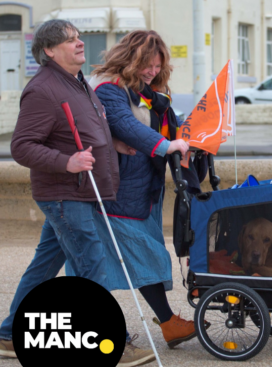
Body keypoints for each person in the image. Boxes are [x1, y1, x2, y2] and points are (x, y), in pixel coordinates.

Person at [0, 20, 157, 367]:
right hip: (64, 193)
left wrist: (110, 144)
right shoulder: (43, 89)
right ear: (50, 51)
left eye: (77, 37)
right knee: (91, 265)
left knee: (44, 267)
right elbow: (22, 146)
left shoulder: (77, 82)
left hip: (82, 191)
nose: (79, 43)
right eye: (69, 40)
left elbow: (84, 129)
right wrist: (66, 161)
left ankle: (9, 335)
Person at [81, 30, 204, 348]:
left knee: (71, 259)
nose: (152, 71)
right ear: (130, 58)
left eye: (157, 65)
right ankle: (166, 324)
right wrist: (166, 145)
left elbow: (164, 124)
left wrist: (194, 137)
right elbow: (126, 125)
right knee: (139, 256)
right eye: (147, 64)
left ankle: (13, 325)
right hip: (118, 194)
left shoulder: (145, 91)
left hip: (141, 191)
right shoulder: (110, 88)